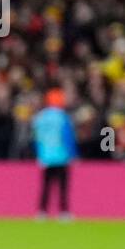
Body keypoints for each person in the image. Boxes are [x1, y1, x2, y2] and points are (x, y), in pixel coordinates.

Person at [32, 88, 76, 219]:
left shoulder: (40, 117)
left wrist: (39, 155)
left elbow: (37, 138)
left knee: (46, 186)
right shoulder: (63, 117)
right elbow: (67, 137)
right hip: (62, 156)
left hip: (46, 156)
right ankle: (63, 211)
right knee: (63, 186)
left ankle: (42, 211)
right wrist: (72, 154)